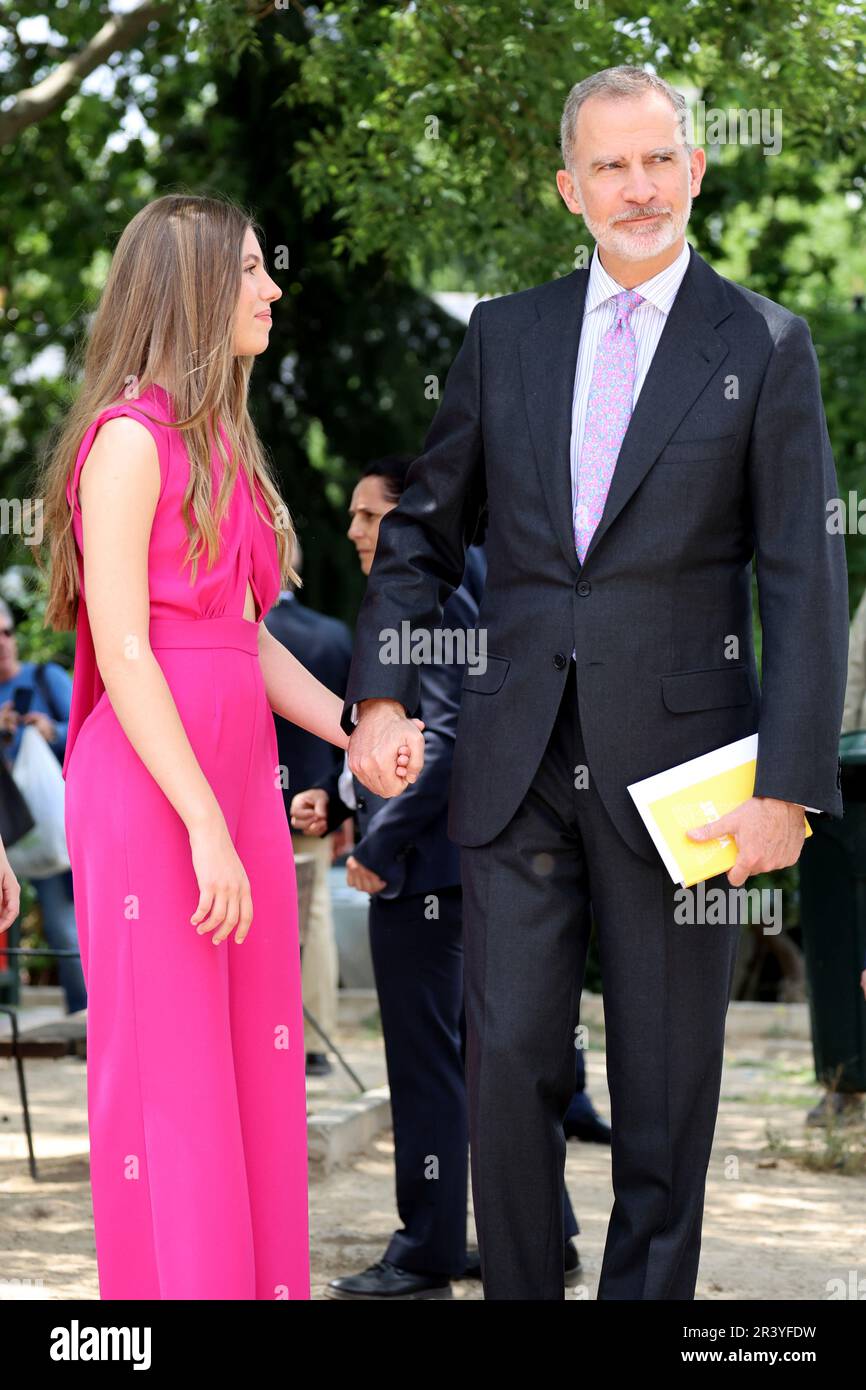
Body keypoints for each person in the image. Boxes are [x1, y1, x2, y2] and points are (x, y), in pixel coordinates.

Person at [339, 67, 849, 1300]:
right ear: (568, 188)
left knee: (665, 1086)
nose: (636, 186)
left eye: (657, 160)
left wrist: (788, 785)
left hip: (684, 779)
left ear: (695, 168)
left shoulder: (765, 344)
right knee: (507, 1060)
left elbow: (800, 577)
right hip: (512, 764)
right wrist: (387, 692)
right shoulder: (502, 335)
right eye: (608, 167)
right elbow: (416, 531)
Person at [35, 193, 418, 1300]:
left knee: (254, 1070)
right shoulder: (125, 443)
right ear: (195, 286)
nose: (271, 286)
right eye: (250, 269)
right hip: (157, 792)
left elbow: (243, 640)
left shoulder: (225, 452)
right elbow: (125, 645)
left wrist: (354, 730)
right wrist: (202, 817)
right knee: (173, 1083)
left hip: (233, 785)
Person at [293, 456, 583, 1298]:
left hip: (428, 870)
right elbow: (416, 737)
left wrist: (378, 854)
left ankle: (425, 1250)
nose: (353, 531)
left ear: (415, 519)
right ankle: (548, 1230)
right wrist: (340, 794)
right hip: (472, 864)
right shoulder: (475, 582)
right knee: (487, 1062)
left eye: (369, 516)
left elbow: (445, 741)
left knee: (430, 1068)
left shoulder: (438, 592)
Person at [264, 539, 353, 1076]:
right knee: (312, 911)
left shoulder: (241, 627)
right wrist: (342, 803)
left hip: (246, 795)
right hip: (313, 797)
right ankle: (314, 1039)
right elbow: (345, 721)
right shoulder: (333, 634)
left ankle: (260, 1030)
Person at [0, 597, 85, 1013]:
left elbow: (89, 730)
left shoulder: (43, 677)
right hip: (7, 828)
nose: (2, 642)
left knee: (64, 927)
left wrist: (51, 731)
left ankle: (83, 1025)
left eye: (6, 632)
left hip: (49, 829)